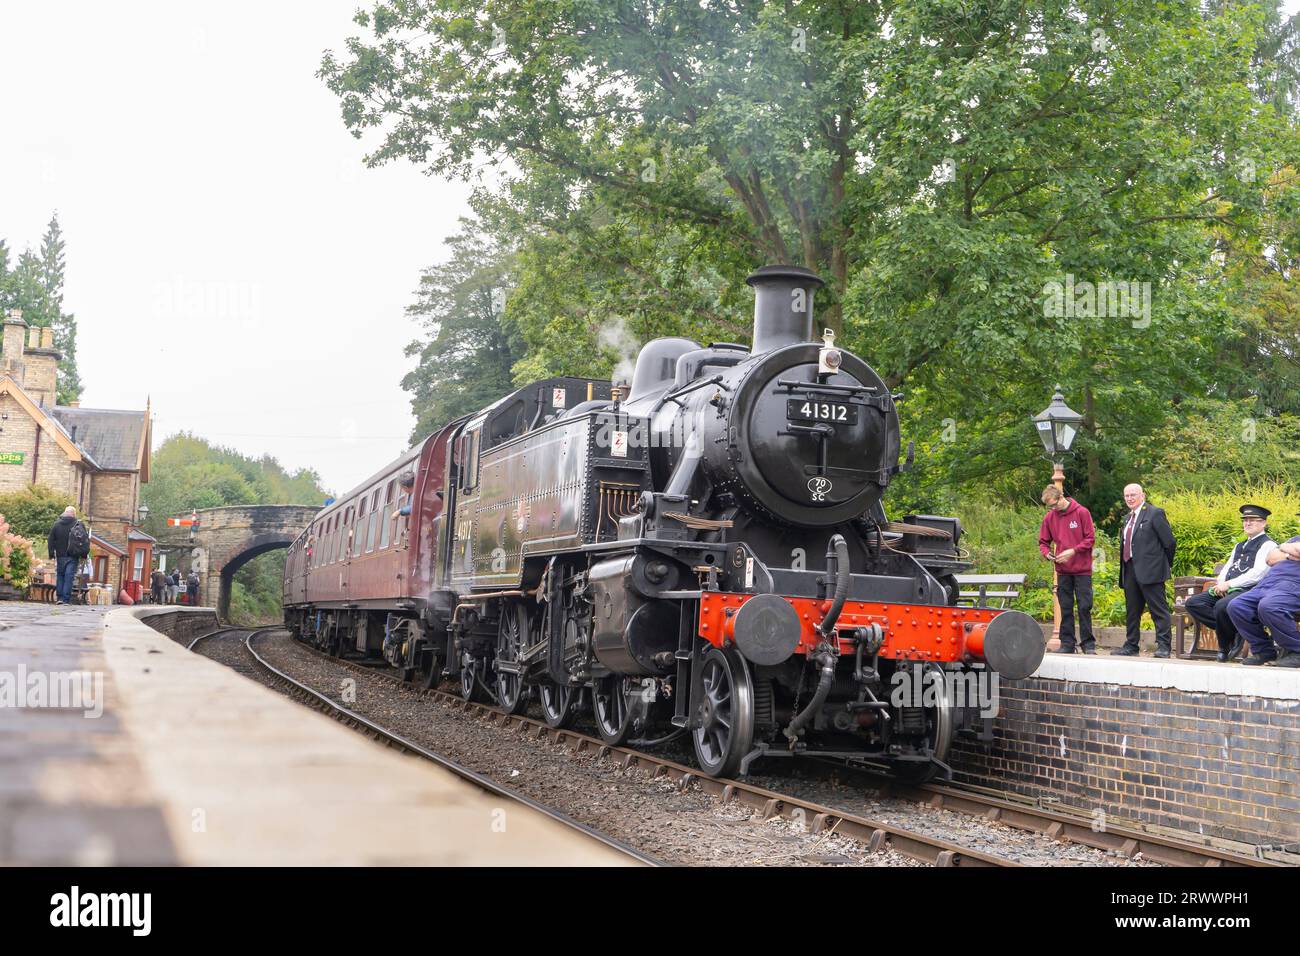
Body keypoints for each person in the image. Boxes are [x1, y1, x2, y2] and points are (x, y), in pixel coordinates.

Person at [1184, 504, 1277, 662]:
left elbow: (1258, 574)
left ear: (1263, 523)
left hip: (1249, 590)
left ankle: (1224, 647)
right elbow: (1227, 568)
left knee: (1221, 606)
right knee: (1194, 603)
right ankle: (1236, 630)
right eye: (1245, 520)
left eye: (1252, 520)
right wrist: (1221, 583)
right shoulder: (1239, 545)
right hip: (1229, 588)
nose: (1247, 523)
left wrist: (1229, 585)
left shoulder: (1268, 545)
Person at [1226, 519, 1300, 668]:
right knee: (1237, 606)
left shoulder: (1291, 543)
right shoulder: (1294, 539)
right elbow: (1270, 558)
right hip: (1269, 583)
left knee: (1269, 606)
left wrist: (1284, 549)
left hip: (1293, 585)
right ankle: (1264, 651)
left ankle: (1296, 650)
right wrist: (1288, 551)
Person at [1114, 483, 1177, 658]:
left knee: (1158, 610)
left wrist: (1163, 565)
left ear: (1143, 495)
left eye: (1133, 494)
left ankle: (1164, 646)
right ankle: (1131, 645)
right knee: (1132, 610)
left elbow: (1169, 542)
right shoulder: (1128, 518)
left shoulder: (1154, 513)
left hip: (1151, 570)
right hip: (1130, 570)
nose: (1130, 498)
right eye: (1126, 495)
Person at [1038, 485, 1097, 654]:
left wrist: (1073, 551)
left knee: (1085, 606)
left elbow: (1090, 539)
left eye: (1055, 505)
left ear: (1061, 496)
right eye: (1050, 507)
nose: (1053, 509)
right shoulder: (1050, 517)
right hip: (1063, 570)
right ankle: (1067, 644)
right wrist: (1048, 554)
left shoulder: (1082, 512)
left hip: (1082, 570)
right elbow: (1043, 542)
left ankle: (1088, 644)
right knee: (1065, 606)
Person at [47, 506, 89, 605]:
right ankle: (66, 599)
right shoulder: (78, 524)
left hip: (60, 555)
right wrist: (84, 555)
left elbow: (51, 539)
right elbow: (85, 541)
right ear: (74, 514)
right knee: (69, 577)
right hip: (73, 555)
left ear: (64, 513)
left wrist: (51, 553)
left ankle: (60, 598)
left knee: (60, 576)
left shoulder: (56, 525)